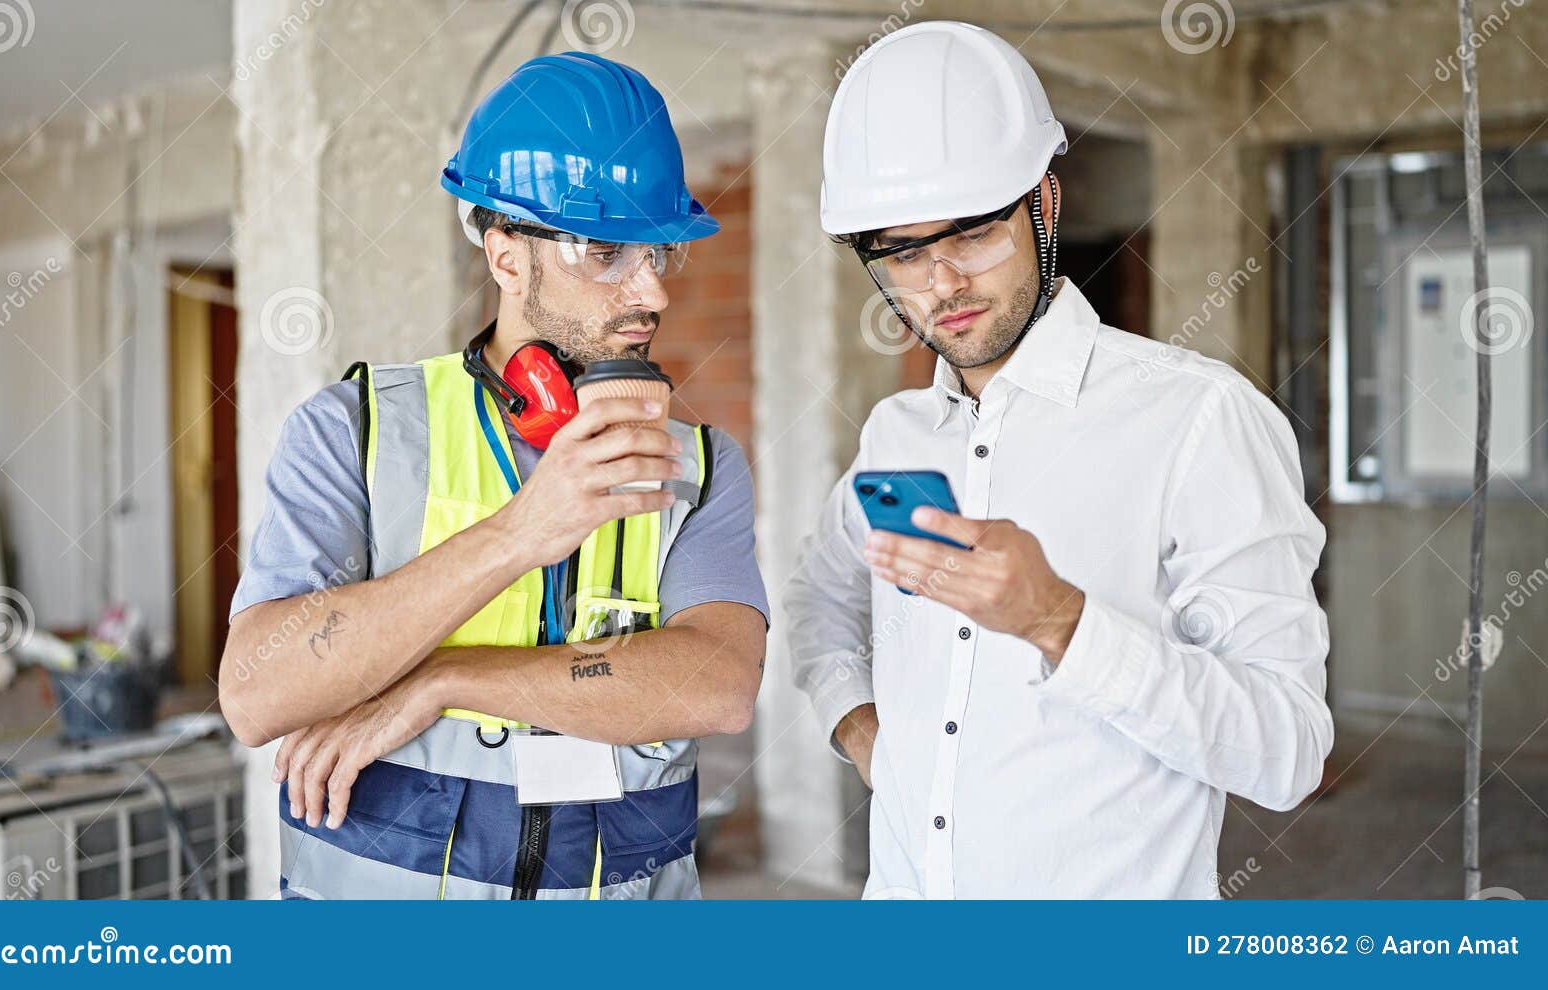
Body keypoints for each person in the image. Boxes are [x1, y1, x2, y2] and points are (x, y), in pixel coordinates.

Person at [788, 21, 1332, 898]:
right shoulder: (897, 433)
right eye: (904, 252)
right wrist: (858, 726)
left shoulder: (1197, 419)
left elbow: (1288, 751)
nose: (942, 284)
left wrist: (1060, 622)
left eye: (973, 233)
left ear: (1043, 203)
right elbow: (821, 594)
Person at [218, 52, 768, 900]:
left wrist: (445, 681)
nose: (652, 293)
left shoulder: (699, 464)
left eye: (658, 253)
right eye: (606, 251)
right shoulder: (354, 433)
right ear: (507, 257)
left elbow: (718, 687)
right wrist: (521, 533)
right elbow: (257, 695)